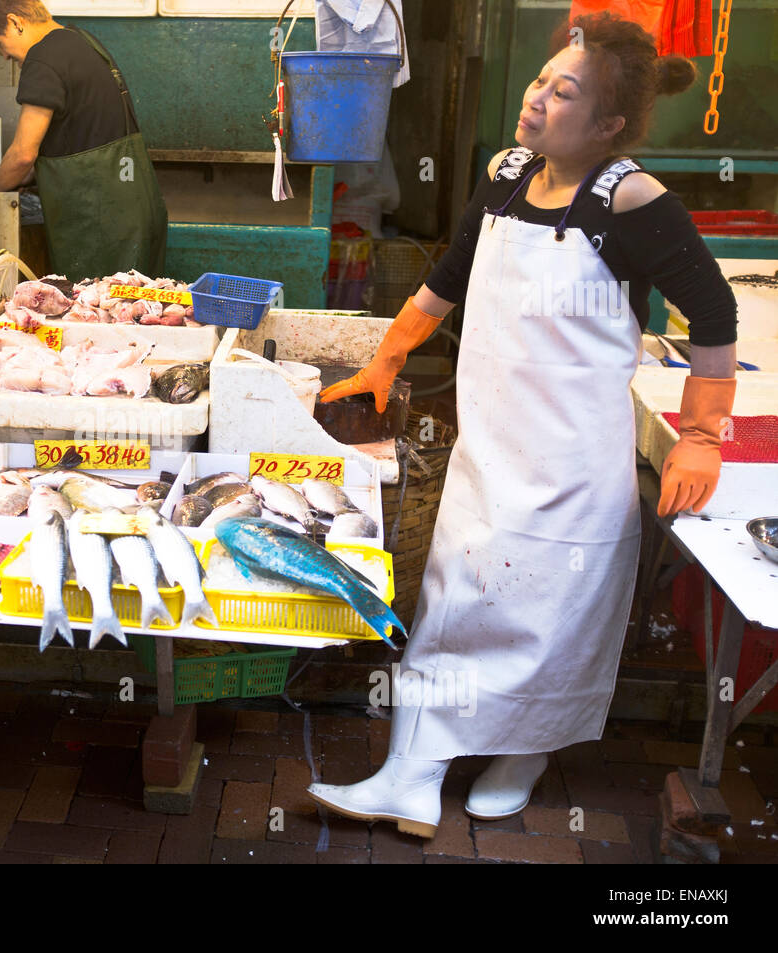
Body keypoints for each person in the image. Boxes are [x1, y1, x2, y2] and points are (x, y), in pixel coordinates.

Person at [309, 12, 738, 838]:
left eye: (564, 93)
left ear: (609, 124)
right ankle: (410, 773)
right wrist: (389, 357)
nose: (536, 99)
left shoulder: (631, 200)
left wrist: (702, 433)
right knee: (452, 606)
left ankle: (523, 755)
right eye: (541, 81)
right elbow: (451, 274)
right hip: (489, 454)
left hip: (575, 470)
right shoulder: (507, 173)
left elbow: (714, 314)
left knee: (549, 623)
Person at [0, 0, 168, 282]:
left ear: (15, 23)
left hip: (99, 224)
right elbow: (84, 134)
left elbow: (23, 153)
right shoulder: (81, 40)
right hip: (138, 211)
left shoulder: (43, 59)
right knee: (132, 313)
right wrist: (32, 177)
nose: (3, 56)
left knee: (96, 315)